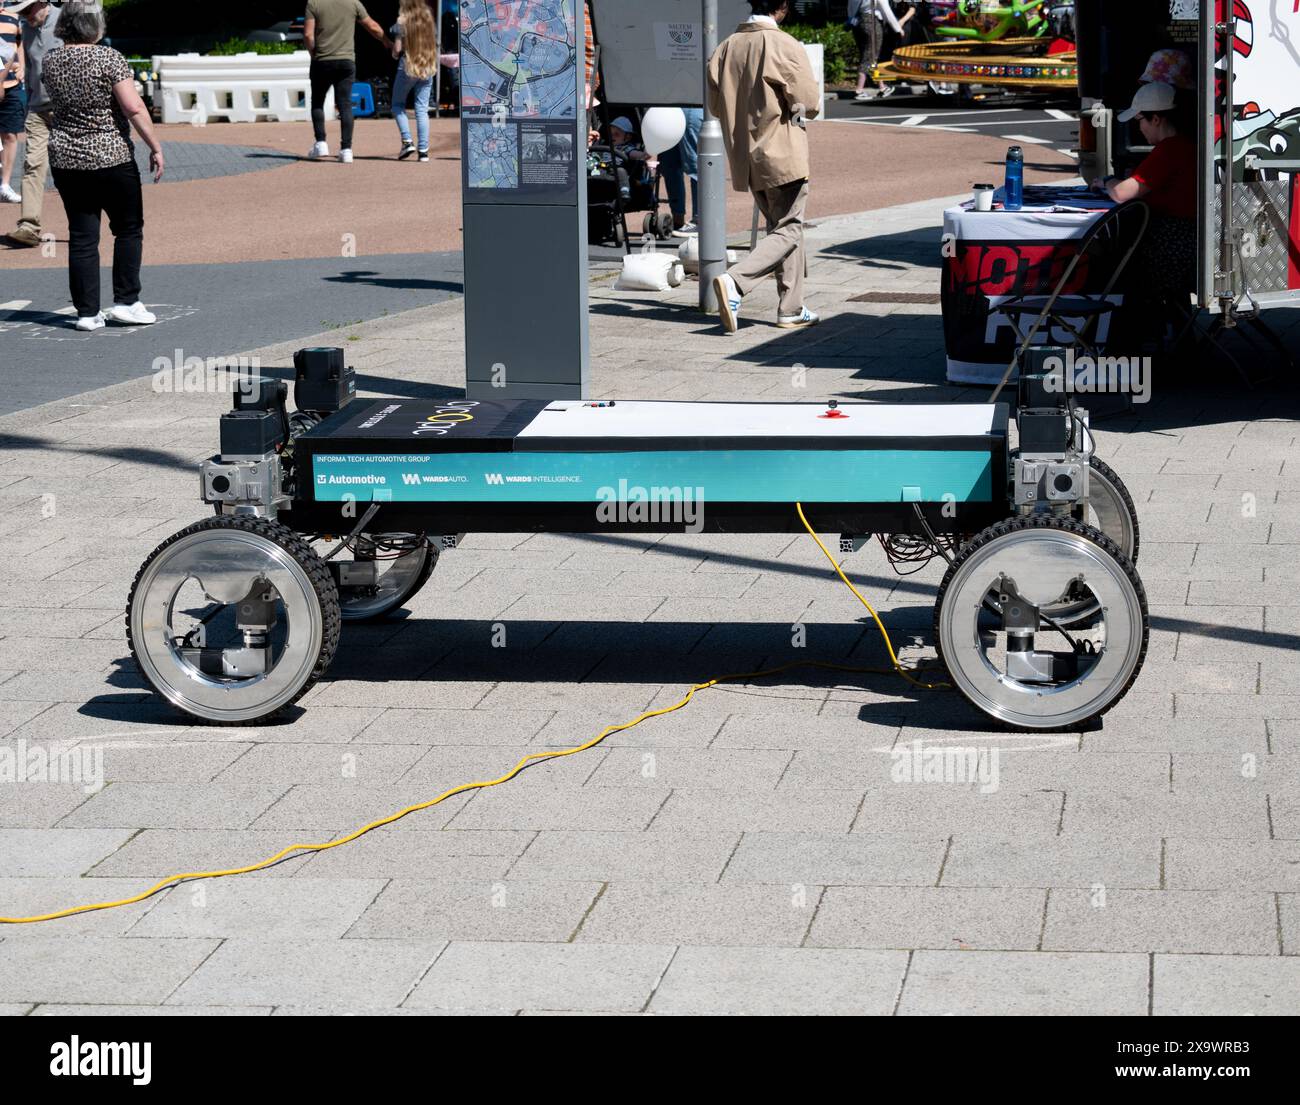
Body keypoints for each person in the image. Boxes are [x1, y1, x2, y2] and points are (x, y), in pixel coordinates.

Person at [41, 0, 164, 332]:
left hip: (66, 157)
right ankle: (126, 301)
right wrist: (155, 146)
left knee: (82, 235)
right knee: (127, 228)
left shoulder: (51, 59)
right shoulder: (109, 57)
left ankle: (86, 313)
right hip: (110, 155)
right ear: (95, 24)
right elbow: (133, 107)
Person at [707, 0, 822, 333]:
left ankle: (791, 307)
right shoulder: (783, 44)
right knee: (790, 228)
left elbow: (715, 106)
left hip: (745, 155)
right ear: (782, 6)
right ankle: (735, 282)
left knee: (781, 229)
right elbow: (809, 102)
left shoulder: (725, 47)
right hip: (781, 149)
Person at [1091, 81, 1196, 294]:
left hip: (1171, 244)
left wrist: (1106, 180)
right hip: (1188, 241)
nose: (1139, 128)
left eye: (1139, 120)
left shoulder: (1168, 150)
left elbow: (1121, 193)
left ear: (1155, 119)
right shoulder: (1185, 145)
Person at [303, 0, 391, 164]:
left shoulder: (314, 3)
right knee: (345, 104)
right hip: (346, 61)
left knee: (317, 102)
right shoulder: (353, 3)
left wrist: (313, 53)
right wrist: (386, 41)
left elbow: (308, 35)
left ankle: (321, 143)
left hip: (322, 60)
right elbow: (372, 26)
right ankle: (346, 150)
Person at [3, 0, 61, 248]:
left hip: (66, 110)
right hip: (38, 109)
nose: (25, 16)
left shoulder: (67, 21)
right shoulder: (26, 28)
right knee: (33, 165)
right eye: (21, 12)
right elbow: (26, 65)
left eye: (27, 10)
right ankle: (28, 226)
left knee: (72, 170)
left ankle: (85, 223)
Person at [389, 0, 436, 162]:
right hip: (427, 66)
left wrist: (394, 54)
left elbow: (397, 49)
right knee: (422, 109)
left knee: (397, 105)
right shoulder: (428, 17)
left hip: (408, 66)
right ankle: (423, 151)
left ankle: (407, 141)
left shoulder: (402, 20)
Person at [658, 106, 702, 235]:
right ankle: (678, 219)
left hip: (691, 107)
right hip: (667, 110)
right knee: (669, 165)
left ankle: (700, 221)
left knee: (696, 167)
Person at [848, 0, 904, 101]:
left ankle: (882, 87)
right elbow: (885, 10)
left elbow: (850, 8)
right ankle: (859, 90)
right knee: (869, 57)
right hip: (872, 22)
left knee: (871, 56)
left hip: (857, 22)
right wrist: (898, 28)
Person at [0, 4, 24, 204]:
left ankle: (5, 186)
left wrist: (22, 66)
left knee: (10, 134)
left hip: (12, 85)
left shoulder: (14, 17)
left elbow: (19, 43)